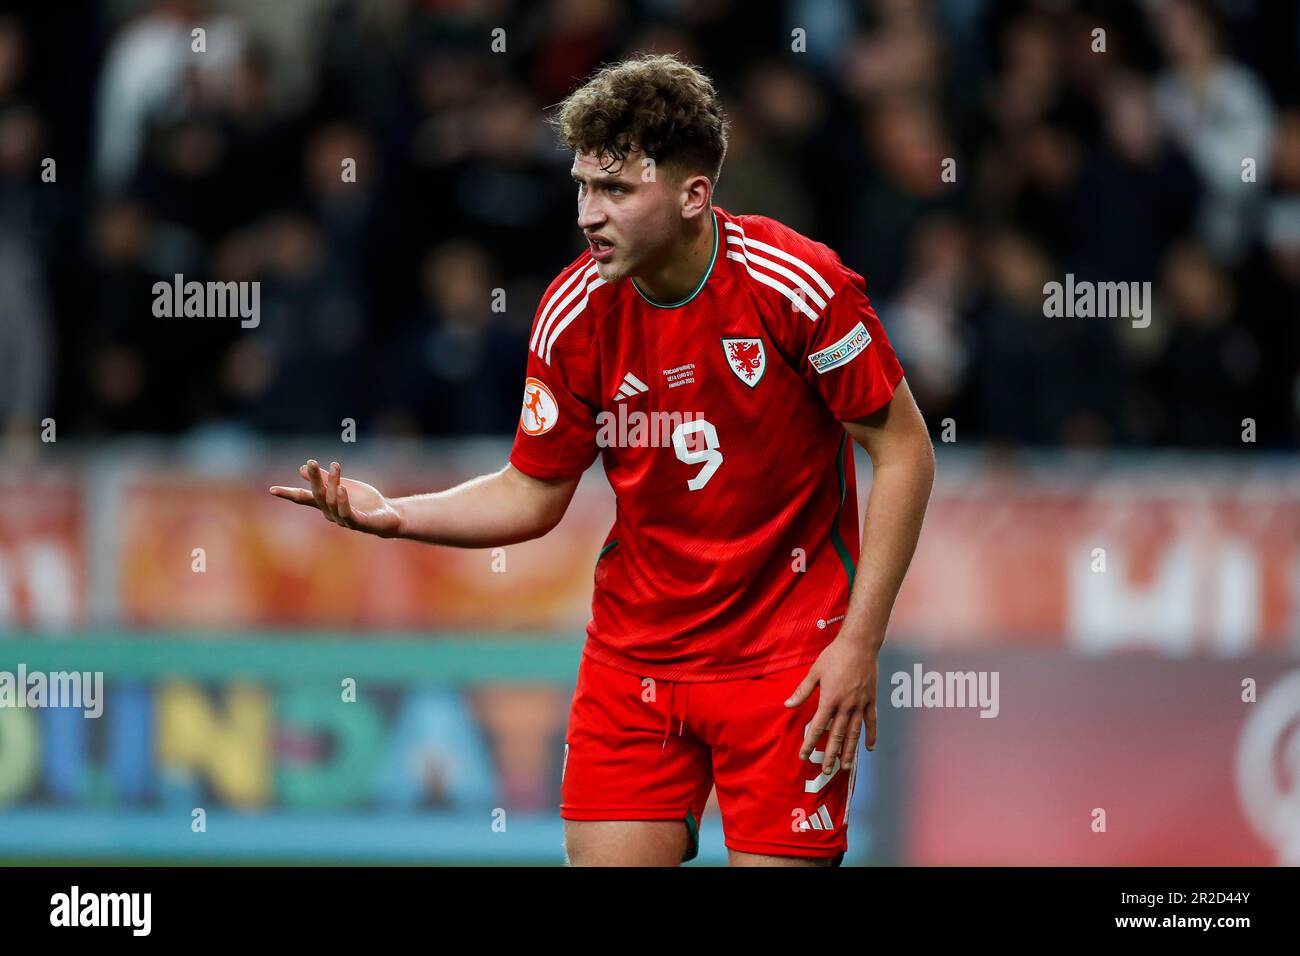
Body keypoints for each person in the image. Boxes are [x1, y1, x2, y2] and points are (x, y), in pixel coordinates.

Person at [271, 54, 934, 866]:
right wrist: (397, 515)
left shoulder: (798, 285)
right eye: (583, 186)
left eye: (616, 190)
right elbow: (532, 489)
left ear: (694, 194)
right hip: (635, 659)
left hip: (787, 662)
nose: (590, 213)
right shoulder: (573, 313)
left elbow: (902, 452)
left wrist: (858, 644)